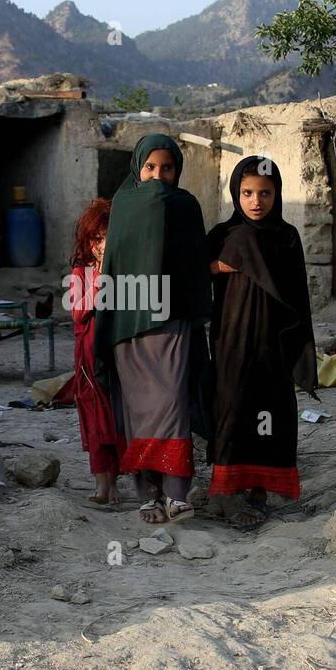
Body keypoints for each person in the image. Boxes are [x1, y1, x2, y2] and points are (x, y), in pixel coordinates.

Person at [95, 134, 212, 524]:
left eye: (167, 168)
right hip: (129, 322)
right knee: (138, 411)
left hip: (173, 320)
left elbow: (195, 265)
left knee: (171, 403)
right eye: (150, 167)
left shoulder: (186, 207)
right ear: (138, 168)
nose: (158, 175)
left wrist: (197, 313)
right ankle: (147, 494)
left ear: (178, 170)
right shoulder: (123, 206)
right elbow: (114, 264)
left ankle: (176, 493)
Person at [207, 156, 317, 520]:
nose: (257, 201)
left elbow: (297, 292)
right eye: (248, 192)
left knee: (270, 409)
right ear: (236, 192)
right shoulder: (225, 235)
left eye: (265, 193)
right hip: (233, 339)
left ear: (277, 194)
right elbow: (191, 270)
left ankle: (259, 486)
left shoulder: (286, 237)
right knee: (233, 406)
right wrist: (218, 266)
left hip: (273, 341)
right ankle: (226, 489)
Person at [65, 198, 121, 504]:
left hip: (115, 355)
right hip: (88, 358)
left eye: (107, 238)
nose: (101, 245)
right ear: (87, 240)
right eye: (96, 239)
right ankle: (102, 483)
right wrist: (99, 280)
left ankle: (115, 482)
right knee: (95, 416)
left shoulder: (125, 271)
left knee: (114, 417)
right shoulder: (82, 272)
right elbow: (78, 313)